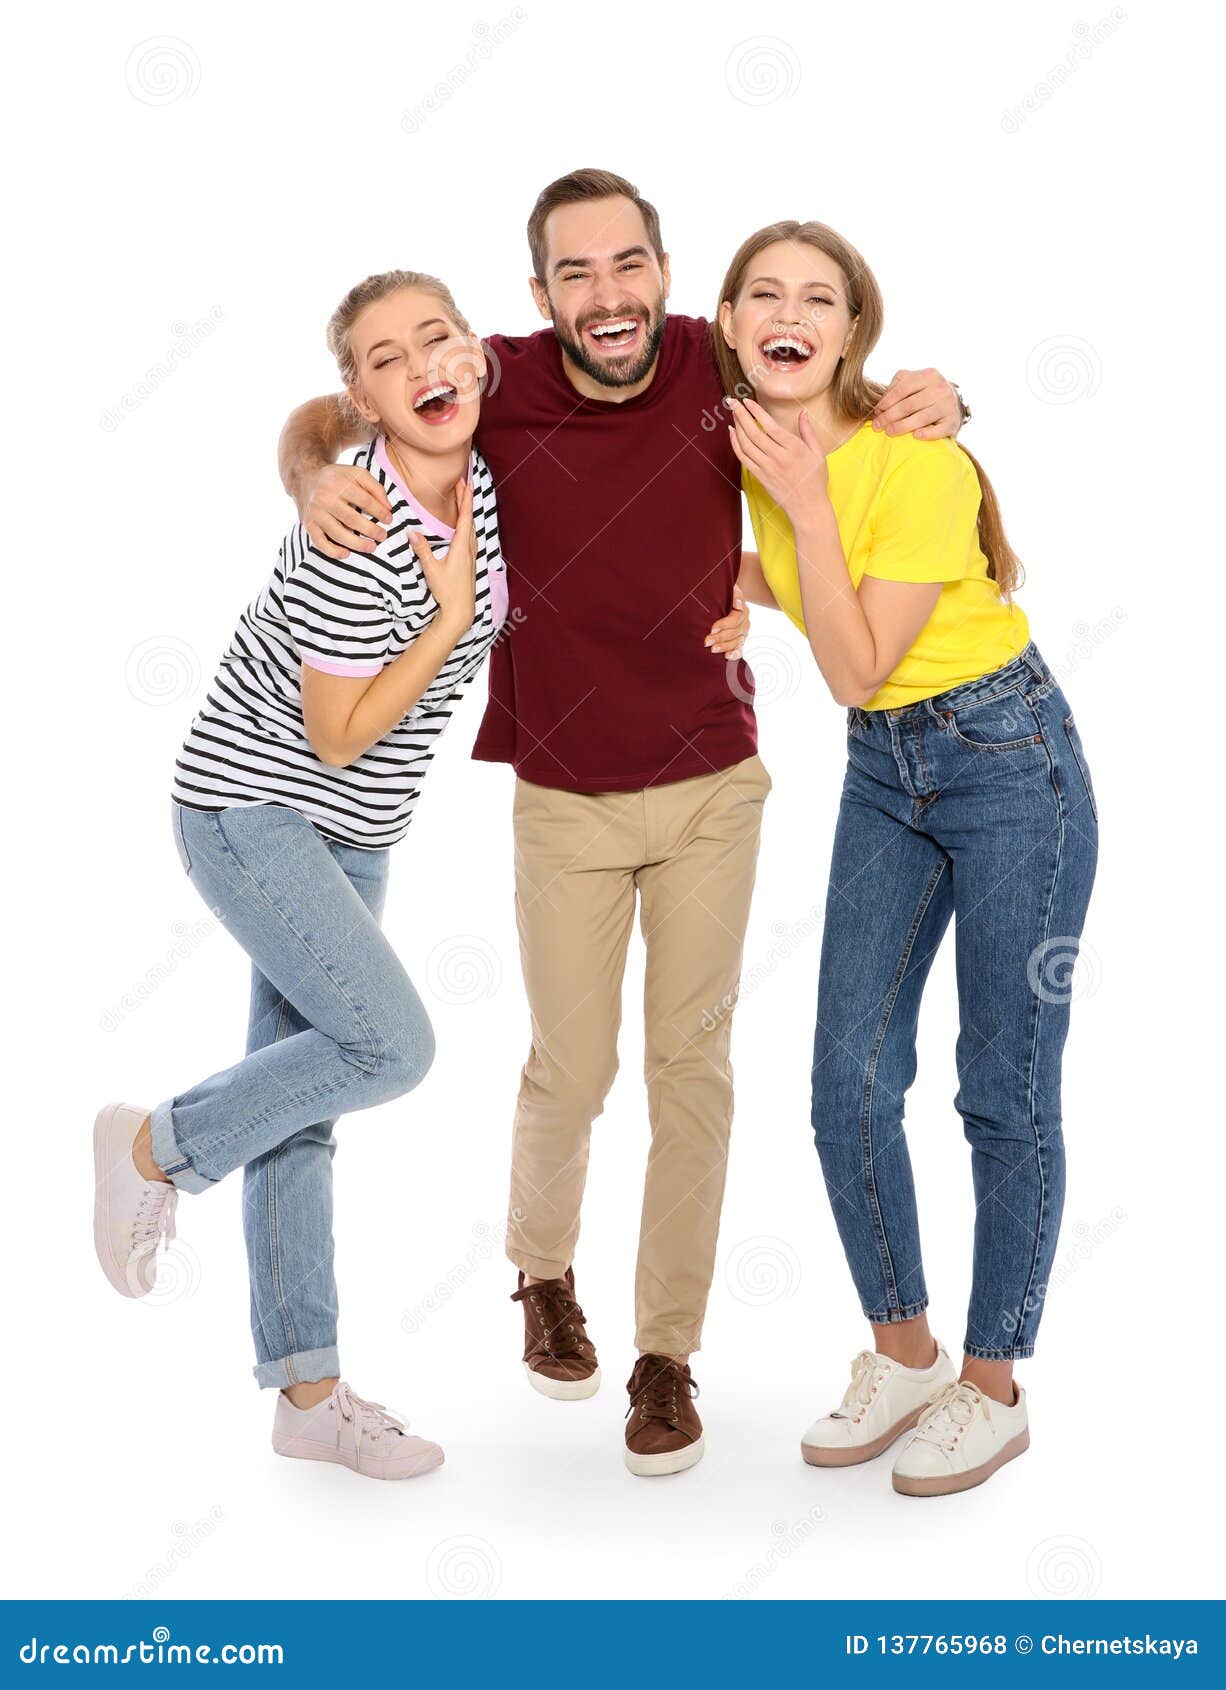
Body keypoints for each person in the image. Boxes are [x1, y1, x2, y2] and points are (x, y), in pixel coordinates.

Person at [279, 169, 964, 1476]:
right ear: (538, 297)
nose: (607, 293)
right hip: (560, 795)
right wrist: (314, 466)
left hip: (712, 781)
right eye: (575, 273)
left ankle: (664, 1355)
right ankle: (541, 1273)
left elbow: (854, 402)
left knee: (690, 1070)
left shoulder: (720, 360)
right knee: (574, 1065)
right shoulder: (499, 384)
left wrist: (937, 396)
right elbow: (339, 408)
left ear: (664, 273)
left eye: (628, 265)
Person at [93, 270, 510, 1481]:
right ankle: (151, 1148)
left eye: (438, 337)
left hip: (358, 829)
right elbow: (336, 734)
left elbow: (315, 425)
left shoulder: (487, 470)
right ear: (363, 398)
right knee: (394, 1046)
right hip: (253, 809)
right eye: (386, 358)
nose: (422, 364)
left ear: (475, 353)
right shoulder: (354, 530)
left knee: (310, 1098)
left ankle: (307, 1394)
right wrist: (441, 620)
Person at [717, 220, 1098, 1496]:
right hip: (888, 774)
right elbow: (797, 577)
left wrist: (811, 516)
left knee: (1002, 1086)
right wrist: (749, 584)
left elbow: (855, 664)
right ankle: (908, 1352)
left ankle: (993, 1386)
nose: (790, 310)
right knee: (846, 1083)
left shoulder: (918, 463)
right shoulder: (743, 445)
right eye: (763, 293)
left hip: (1007, 762)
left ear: (853, 332)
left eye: (818, 297)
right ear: (726, 324)